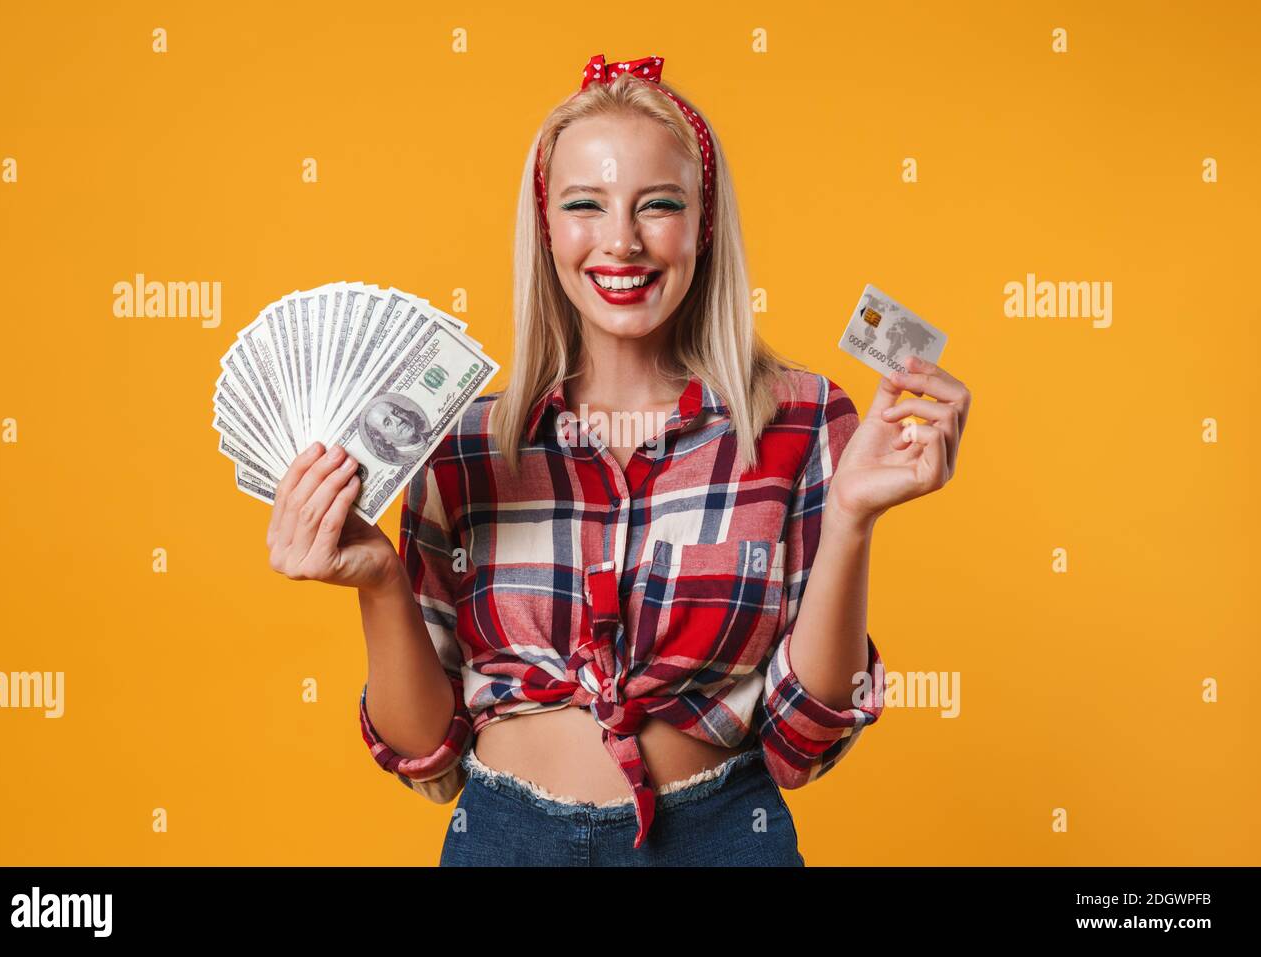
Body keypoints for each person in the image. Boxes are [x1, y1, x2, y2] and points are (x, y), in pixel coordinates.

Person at [265, 53, 972, 866]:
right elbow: (426, 754)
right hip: (505, 844)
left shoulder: (805, 422)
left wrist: (851, 516)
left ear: (704, 225)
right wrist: (379, 579)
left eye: (658, 205)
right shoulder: (461, 441)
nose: (621, 242)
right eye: (585, 205)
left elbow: (802, 744)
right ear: (547, 227)